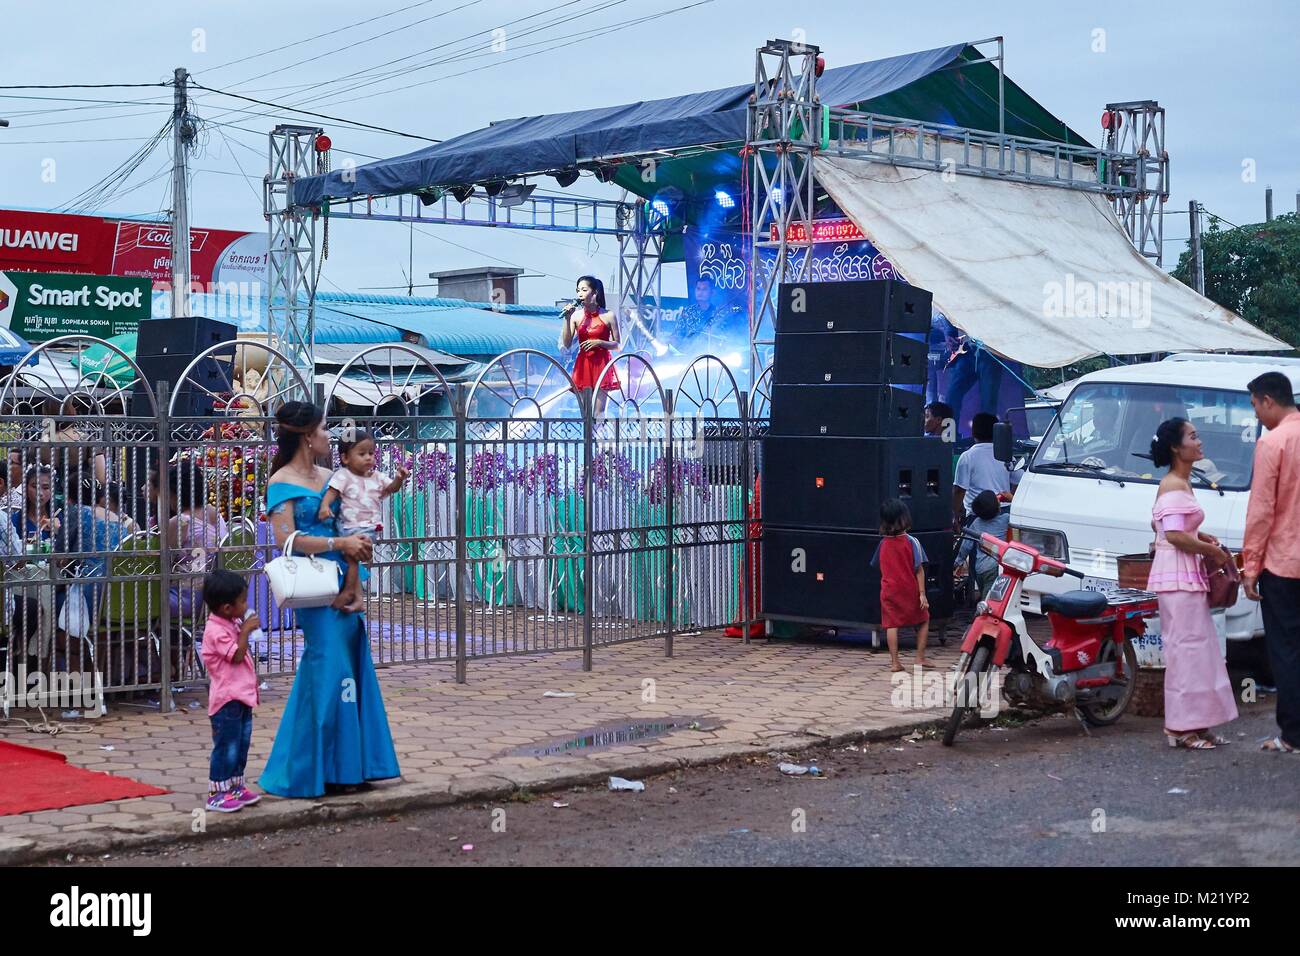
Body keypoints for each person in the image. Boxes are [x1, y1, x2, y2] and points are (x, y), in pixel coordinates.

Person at [260, 401, 400, 798]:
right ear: (307, 436)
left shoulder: (332, 476)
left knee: (345, 672)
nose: (328, 435)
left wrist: (359, 546)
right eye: (323, 429)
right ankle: (317, 770)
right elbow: (285, 539)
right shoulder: (281, 481)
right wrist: (339, 542)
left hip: (347, 581)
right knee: (331, 668)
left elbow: (357, 515)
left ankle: (343, 767)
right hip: (314, 588)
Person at [1149, 417, 1238, 750]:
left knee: (1198, 650)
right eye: (1193, 436)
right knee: (1187, 651)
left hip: (1182, 574)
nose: (1200, 442)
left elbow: (1161, 526)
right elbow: (1171, 534)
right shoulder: (1174, 484)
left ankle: (1195, 724)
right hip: (1177, 576)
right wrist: (1211, 551)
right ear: (1176, 447)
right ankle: (1181, 728)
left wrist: (1199, 537)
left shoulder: (1178, 483)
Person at [1241, 371, 1300, 753]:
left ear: (1267, 400)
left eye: (1255, 407)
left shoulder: (1273, 443)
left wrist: (1250, 568)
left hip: (1284, 564)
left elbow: (1261, 511)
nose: (1257, 417)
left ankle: (1293, 734)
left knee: (1287, 649)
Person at [317, 429, 409, 613]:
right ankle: (357, 597)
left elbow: (392, 488)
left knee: (353, 559)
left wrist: (399, 479)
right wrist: (324, 506)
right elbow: (332, 492)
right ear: (345, 458)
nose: (368, 457)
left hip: (367, 528)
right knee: (351, 560)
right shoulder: (343, 475)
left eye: (371, 453)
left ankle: (350, 593)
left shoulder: (377, 477)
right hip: (345, 527)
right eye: (362, 454)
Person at [200, 568, 262, 813]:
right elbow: (236, 656)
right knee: (226, 746)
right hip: (227, 700)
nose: (245, 605)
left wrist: (245, 628)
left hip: (242, 696)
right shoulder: (215, 631)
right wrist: (245, 631)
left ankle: (236, 785)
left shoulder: (231, 622)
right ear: (227, 607)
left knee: (241, 743)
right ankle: (217, 792)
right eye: (242, 601)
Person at [871, 498, 932, 672]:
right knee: (924, 619)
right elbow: (919, 569)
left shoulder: (883, 543)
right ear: (904, 519)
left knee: (891, 625)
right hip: (909, 590)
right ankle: (919, 657)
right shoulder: (912, 542)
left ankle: (894, 662)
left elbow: (877, 564)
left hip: (889, 590)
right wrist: (922, 593)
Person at [166, 464, 227, 622]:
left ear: (175, 493)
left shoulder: (179, 522)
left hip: (185, 599)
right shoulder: (215, 514)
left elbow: (162, 564)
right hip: (215, 596)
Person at [558, 275, 620, 415]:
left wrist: (599, 342)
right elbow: (566, 344)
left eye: (584, 289)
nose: (580, 293)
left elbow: (618, 345)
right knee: (585, 413)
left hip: (602, 365)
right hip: (583, 365)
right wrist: (567, 319)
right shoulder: (576, 316)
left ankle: (598, 436)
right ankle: (588, 437)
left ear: (595, 292)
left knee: (598, 412)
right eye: (578, 290)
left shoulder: (609, 315)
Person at [952, 412, 1016, 526]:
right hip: (1005, 513)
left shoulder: (967, 456)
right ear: (996, 431)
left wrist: (954, 516)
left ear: (973, 432)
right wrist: (1009, 497)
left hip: (977, 515)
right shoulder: (1007, 454)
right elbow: (1018, 480)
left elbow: (959, 490)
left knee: (975, 543)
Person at [955, 490, 1010, 598]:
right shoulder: (1006, 519)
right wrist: (1011, 498)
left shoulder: (976, 523)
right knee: (989, 601)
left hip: (980, 569)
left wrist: (958, 561)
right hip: (995, 568)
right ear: (998, 508)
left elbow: (966, 545)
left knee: (985, 593)